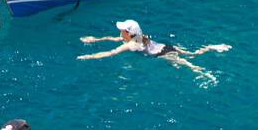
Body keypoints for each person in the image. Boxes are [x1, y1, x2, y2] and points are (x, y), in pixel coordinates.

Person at [78, 20, 230, 79]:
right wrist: (96, 39)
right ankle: (210, 47)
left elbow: (110, 53)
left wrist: (89, 56)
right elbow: (115, 38)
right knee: (192, 54)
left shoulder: (131, 45)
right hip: (167, 46)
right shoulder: (140, 36)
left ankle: (208, 76)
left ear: (129, 33)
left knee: (190, 66)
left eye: (123, 29)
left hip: (163, 54)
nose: (120, 31)